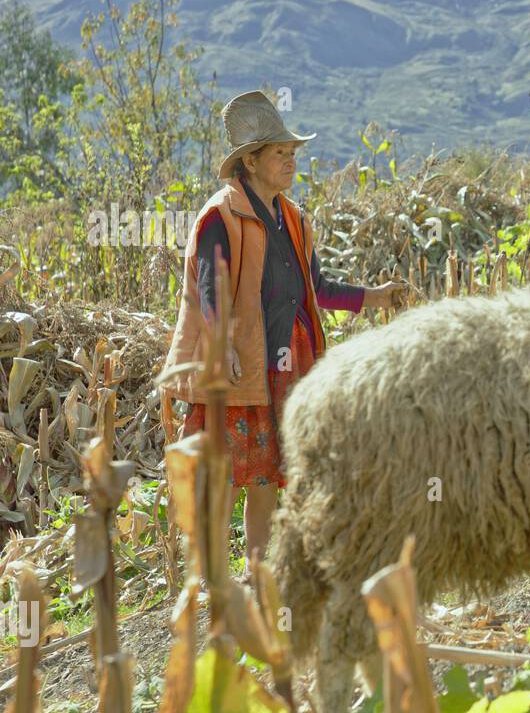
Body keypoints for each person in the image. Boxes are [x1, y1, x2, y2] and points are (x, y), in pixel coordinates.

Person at [160, 90, 405, 562]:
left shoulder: (292, 218)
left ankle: (256, 570)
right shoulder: (221, 215)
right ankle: (208, 579)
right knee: (228, 474)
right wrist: (221, 345)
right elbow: (210, 288)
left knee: (268, 474)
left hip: (285, 360)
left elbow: (315, 287)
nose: (291, 162)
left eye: (292, 153)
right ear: (250, 162)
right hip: (235, 367)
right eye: (280, 153)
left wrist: (373, 297)